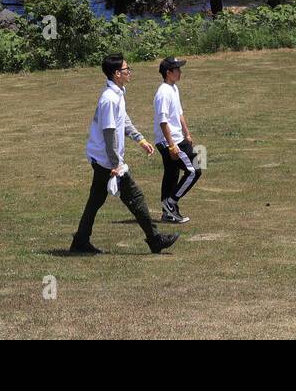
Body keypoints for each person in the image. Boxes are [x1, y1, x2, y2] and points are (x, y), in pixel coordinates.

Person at [70, 53, 180, 255]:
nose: (129, 72)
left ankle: (80, 240)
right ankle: (155, 239)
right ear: (116, 73)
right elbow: (109, 132)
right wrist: (115, 164)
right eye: (126, 69)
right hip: (106, 160)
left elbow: (124, 120)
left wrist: (140, 139)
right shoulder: (109, 99)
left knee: (96, 200)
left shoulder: (117, 94)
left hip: (104, 159)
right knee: (135, 197)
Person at [154, 56, 200, 224]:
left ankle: (168, 213)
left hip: (178, 138)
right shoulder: (163, 93)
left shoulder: (173, 88)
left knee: (172, 174)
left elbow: (179, 114)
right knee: (195, 170)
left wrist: (187, 133)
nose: (180, 72)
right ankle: (170, 202)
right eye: (177, 69)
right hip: (170, 141)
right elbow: (163, 121)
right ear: (168, 73)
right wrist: (172, 145)